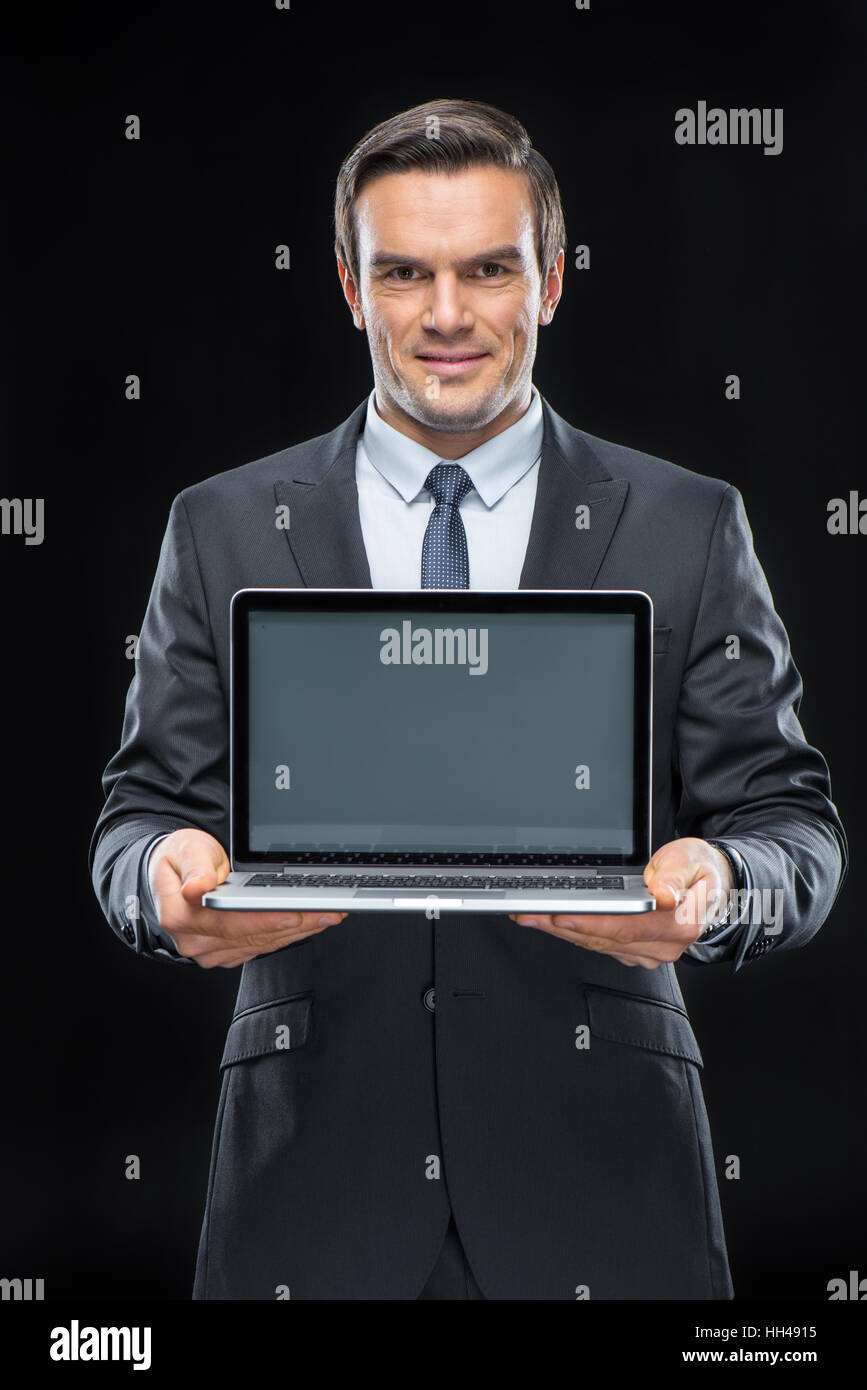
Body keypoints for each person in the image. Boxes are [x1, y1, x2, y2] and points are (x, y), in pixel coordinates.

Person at [89, 97, 847, 1300]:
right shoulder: (220, 526)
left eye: (489, 269)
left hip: (606, 1182)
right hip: (310, 1185)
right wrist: (159, 868)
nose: (447, 316)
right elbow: (136, 815)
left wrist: (721, 885)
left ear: (549, 280)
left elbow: (792, 826)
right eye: (405, 274)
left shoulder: (689, 525)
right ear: (349, 284)